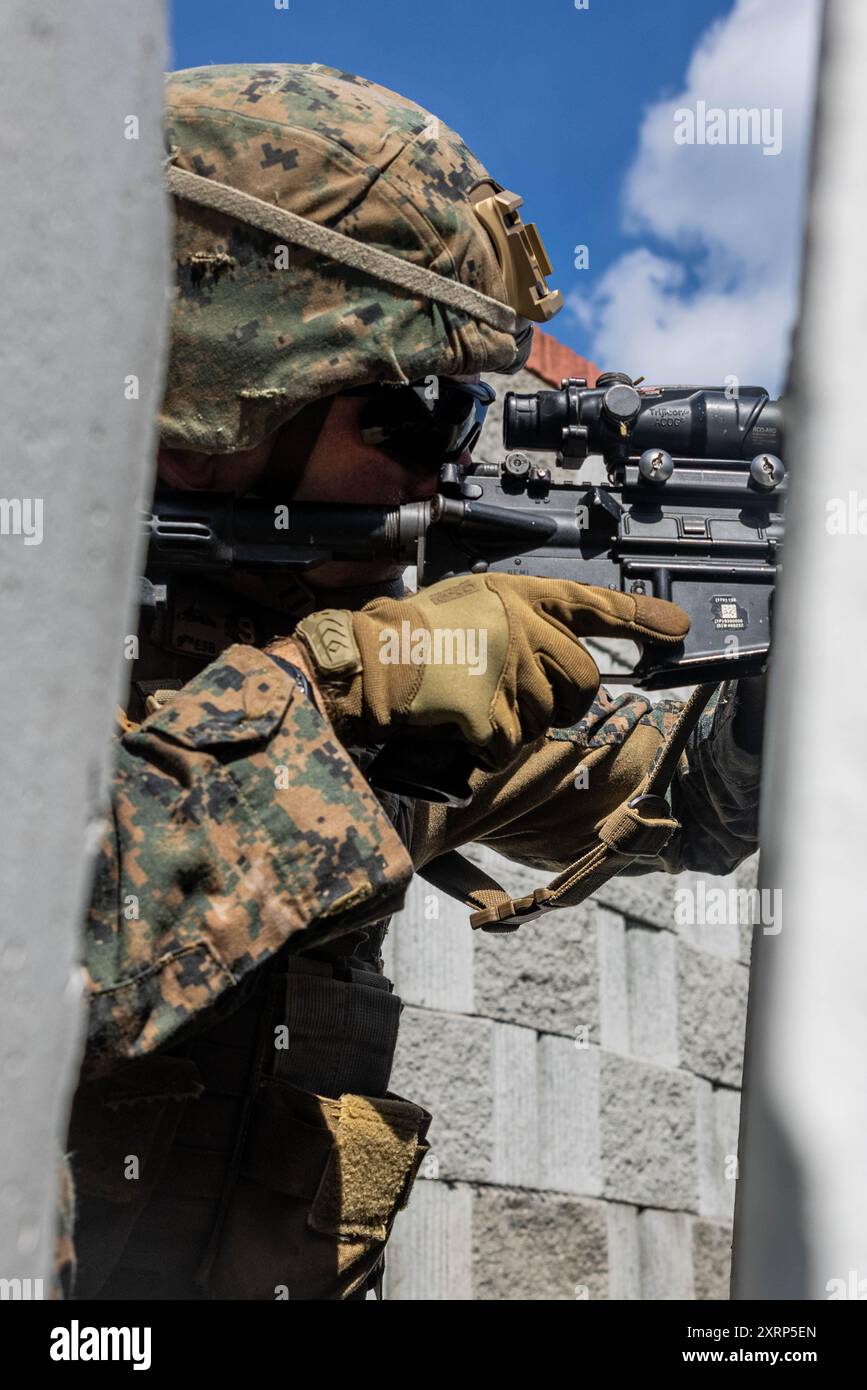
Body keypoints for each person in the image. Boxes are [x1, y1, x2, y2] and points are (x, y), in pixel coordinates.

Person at [63, 62, 764, 1301]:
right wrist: (330, 706)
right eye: (409, 411)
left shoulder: (374, 666)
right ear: (223, 378)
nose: (441, 468)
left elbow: (679, 795)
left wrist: (789, 688)